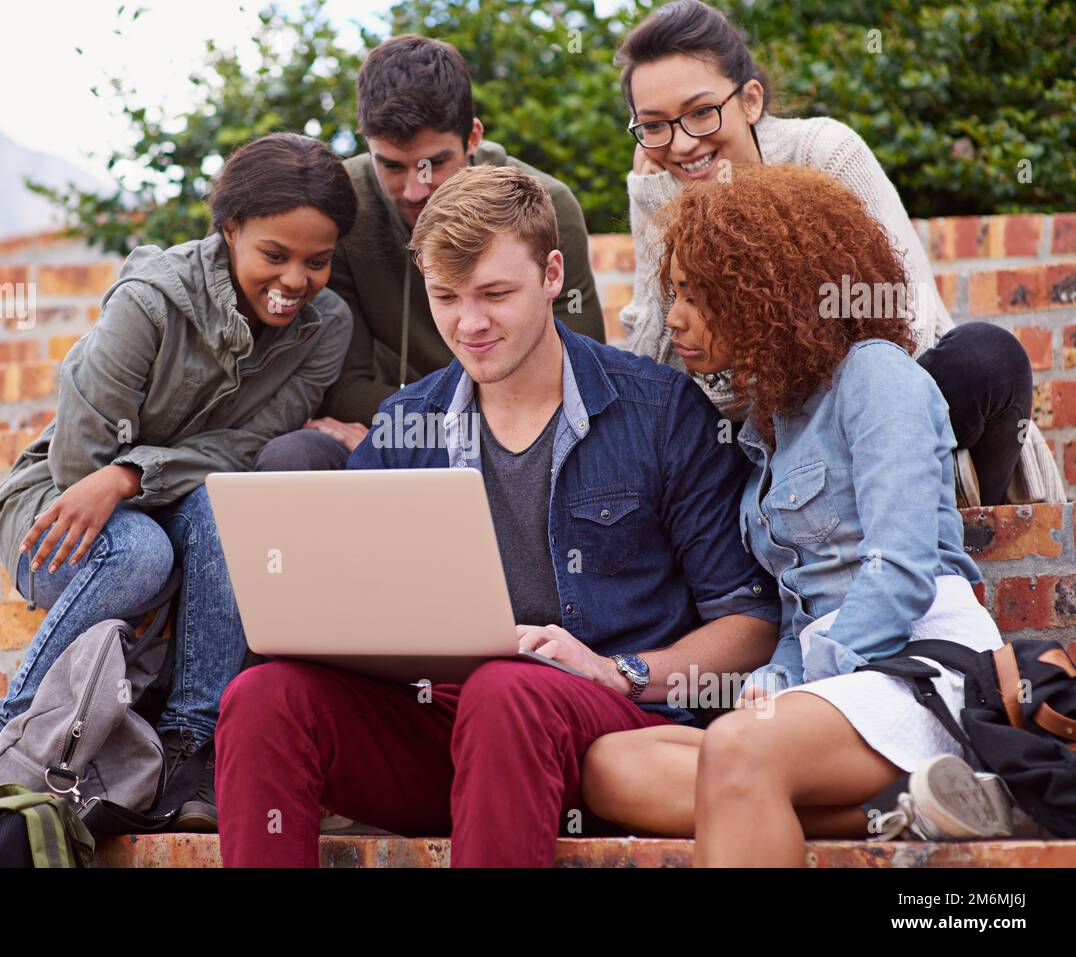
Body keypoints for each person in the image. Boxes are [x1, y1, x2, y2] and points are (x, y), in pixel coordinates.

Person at [211, 164, 780, 868]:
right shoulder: (405, 424)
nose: (469, 324)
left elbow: (750, 624)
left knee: (504, 688)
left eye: (495, 294)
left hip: (606, 733)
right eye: (446, 297)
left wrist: (618, 670)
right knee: (263, 696)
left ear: (551, 274)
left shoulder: (661, 412)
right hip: (445, 734)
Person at [579, 163, 1020, 867]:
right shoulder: (769, 425)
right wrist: (775, 679)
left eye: (700, 295)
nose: (677, 318)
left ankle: (922, 788)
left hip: (917, 669)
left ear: (769, 291)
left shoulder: (876, 376)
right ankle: (907, 807)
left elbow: (901, 571)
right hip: (830, 686)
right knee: (611, 764)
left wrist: (805, 680)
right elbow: (797, 607)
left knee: (736, 747)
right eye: (676, 294)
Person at [0, 133, 358, 832]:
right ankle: (6, 743)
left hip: (175, 510)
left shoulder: (326, 329)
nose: (295, 280)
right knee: (143, 551)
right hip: (61, 511)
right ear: (229, 229)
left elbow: (252, 447)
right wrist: (125, 478)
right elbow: (81, 457)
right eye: (274, 255)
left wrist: (135, 470)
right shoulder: (151, 300)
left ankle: (189, 748)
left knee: (226, 506)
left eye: (317, 261)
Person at [612, 0, 1063, 506]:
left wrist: (783, 382)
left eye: (700, 112)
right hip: (761, 448)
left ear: (751, 100)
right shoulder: (659, 189)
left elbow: (900, 312)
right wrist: (655, 208)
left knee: (985, 358)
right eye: (654, 125)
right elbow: (660, 372)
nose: (681, 143)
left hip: (876, 409)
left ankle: (945, 507)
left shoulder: (823, 153)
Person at [267, 33, 606, 470]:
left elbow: (580, 369)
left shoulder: (548, 206)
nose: (414, 191)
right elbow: (342, 386)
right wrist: (403, 433)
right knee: (294, 454)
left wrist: (428, 425)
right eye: (390, 165)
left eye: (435, 163)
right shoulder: (341, 206)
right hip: (387, 431)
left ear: (473, 138)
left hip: (518, 428)